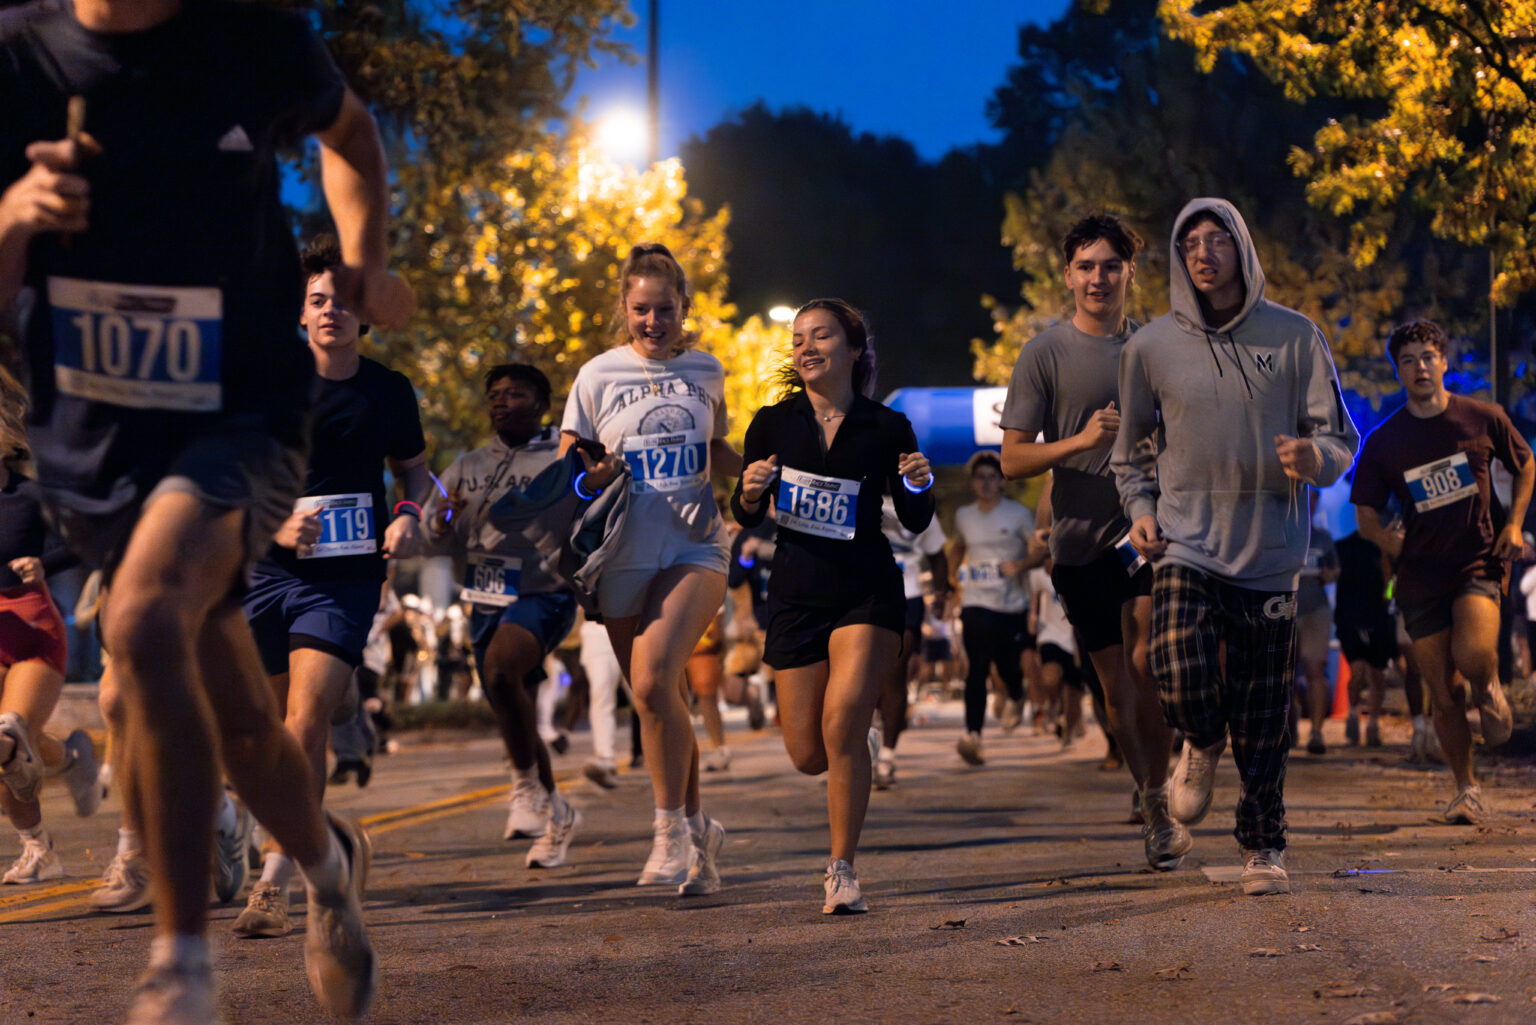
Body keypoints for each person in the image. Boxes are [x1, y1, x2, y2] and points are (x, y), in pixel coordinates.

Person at [0, 0, 412, 1016]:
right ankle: (324, 865)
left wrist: (364, 258)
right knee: (239, 722)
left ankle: (180, 971)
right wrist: (10, 221)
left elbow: (350, 136)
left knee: (139, 623)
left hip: (243, 410)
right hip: (91, 431)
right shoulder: (17, 52)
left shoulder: (251, 33)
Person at [1113, 198, 1359, 896]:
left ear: (1241, 249)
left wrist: (1315, 456)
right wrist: (1138, 507)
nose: (1203, 251)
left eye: (1218, 239)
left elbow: (1341, 440)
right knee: (1173, 662)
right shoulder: (1150, 347)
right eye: (1190, 240)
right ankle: (1199, 736)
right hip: (1186, 538)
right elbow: (1128, 453)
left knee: (1264, 707)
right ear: (1179, 255)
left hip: (1273, 549)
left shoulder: (1296, 336)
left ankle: (1263, 843)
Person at [234, 234, 428, 937]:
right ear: (300, 310)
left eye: (343, 301)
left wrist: (409, 516)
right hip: (261, 570)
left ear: (361, 316)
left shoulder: (386, 391)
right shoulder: (264, 382)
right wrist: (277, 520)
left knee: (305, 723)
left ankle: (275, 882)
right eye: (318, 300)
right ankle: (304, 842)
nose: (330, 312)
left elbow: (413, 471)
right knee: (249, 732)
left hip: (342, 579)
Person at [999, 212, 1187, 870]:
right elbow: (1015, 458)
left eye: (1111, 265)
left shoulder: (1159, 345)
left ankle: (1162, 796)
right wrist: (1080, 442)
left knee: (1148, 664)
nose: (1098, 277)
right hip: (1078, 544)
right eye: (1086, 266)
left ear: (1131, 272)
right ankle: (1150, 791)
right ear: (1068, 274)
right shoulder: (1044, 353)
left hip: (1147, 531)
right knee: (1115, 689)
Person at [733, 298, 933, 913]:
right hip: (795, 591)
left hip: (865, 586)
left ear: (853, 349)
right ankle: (855, 751)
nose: (807, 346)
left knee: (843, 717)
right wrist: (746, 493)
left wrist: (920, 483)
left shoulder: (887, 426)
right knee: (807, 753)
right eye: (798, 339)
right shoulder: (771, 423)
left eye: (821, 336)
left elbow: (918, 519)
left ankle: (841, 868)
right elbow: (745, 512)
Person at [560, 242, 739, 896]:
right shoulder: (597, 375)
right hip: (620, 554)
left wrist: (754, 470)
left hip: (695, 546)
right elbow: (568, 475)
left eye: (665, 309)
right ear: (625, 309)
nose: (653, 321)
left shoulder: (707, 369)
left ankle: (667, 831)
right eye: (641, 310)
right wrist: (592, 476)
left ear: (684, 307)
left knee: (653, 675)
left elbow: (715, 446)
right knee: (663, 696)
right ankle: (699, 830)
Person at [1349, 319, 1533, 824]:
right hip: (1418, 576)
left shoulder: (1482, 417)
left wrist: (1514, 524)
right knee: (1443, 693)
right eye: (1408, 360)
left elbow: (1525, 463)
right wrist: (1387, 538)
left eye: (1428, 355)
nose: (1420, 366)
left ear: (1444, 361)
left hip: (1477, 560)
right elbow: (1364, 512)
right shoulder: (1385, 441)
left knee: (1474, 656)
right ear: (1398, 371)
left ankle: (1490, 685)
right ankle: (1466, 789)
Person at [424, 363, 584, 868]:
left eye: (515, 394)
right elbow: (434, 534)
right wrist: (444, 517)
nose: (501, 402)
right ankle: (552, 806)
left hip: (544, 592)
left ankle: (523, 787)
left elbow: (592, 512)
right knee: (510, 703)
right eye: (495, 395)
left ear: (541, 404)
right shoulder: (467, 464)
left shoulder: (565, 457)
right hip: (484, 597)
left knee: (499, 670)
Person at [0, 376, 99, 885]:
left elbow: (83, 541)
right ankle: (43, 842)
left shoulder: (28, 494)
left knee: (11, 734)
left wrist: (42, 562)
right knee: (16, 746)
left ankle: (42, 842)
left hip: (33, 630)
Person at [950, 451, 1042, 765]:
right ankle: (972, 734)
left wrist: (1020, 565)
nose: (986, 483)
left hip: (1011, 605)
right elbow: (958, 547)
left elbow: (1039, 553)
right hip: (976, 602)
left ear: (1001, 481)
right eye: (981, 478)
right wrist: (950, 582)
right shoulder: (963, 515)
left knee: (1007, 667)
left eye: (992, 477)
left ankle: (1016, 694)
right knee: (976, 667)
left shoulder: (1018, 514)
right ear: (973, 482)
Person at [875, 494, 948, 788]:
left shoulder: (918, 501)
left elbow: (938, 553)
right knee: (860, 678)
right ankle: (857, 748)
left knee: (894, 676)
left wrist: (941, 593)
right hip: (862, 594)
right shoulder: (855, 486)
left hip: (908, 595)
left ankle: (887, 756)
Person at [1333, 526, 1396, 749]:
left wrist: (1388, 598)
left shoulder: (1383, 546)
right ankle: (1352, 713)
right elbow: (1335, 575)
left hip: (1378, 617)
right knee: (1357, 672)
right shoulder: (1344, 546)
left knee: (1378, 675)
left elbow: (1390, 582)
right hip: (1351, 618)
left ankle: (1373, 724)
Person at [1294, 494, 1339, 754]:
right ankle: (1286, 731)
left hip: (1315, 609)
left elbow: (1335, 569)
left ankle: (1317, 732)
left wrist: (1329, 573)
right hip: (1285, 609)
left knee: (1315, 670)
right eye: (1305, 498)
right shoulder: (1284, 531)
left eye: (1313, 500)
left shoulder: (1322, 537)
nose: (1308, 504)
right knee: (1284, 675)